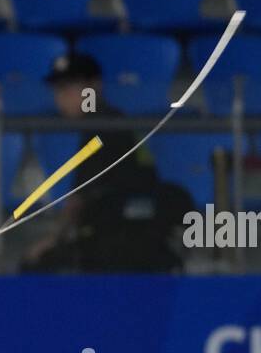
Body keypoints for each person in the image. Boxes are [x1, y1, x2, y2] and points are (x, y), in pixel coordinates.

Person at [20, 52, 191, 273]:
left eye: (70, 88)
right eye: (58, 90)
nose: (61, 97)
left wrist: (51, 241)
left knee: (35, 265)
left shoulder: (102, 126)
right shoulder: (111, 119)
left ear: (94, 86)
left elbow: (77, 200)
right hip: (127, 236)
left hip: (122, 242)